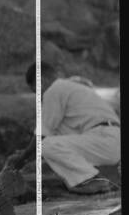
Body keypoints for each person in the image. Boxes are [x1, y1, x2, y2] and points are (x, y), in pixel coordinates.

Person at [8, 62, 120, 194]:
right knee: (53, 138)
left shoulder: (54, 89)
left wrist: (22, 158)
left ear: (41, 81)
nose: (39, 96)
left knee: (46, 145)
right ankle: (91, 179)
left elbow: (42, 136)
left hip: (105, 139)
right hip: (110, 140)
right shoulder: (70, 88)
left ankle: (92, 181)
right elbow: (53, 133)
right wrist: (26, 155)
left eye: (36, 91)